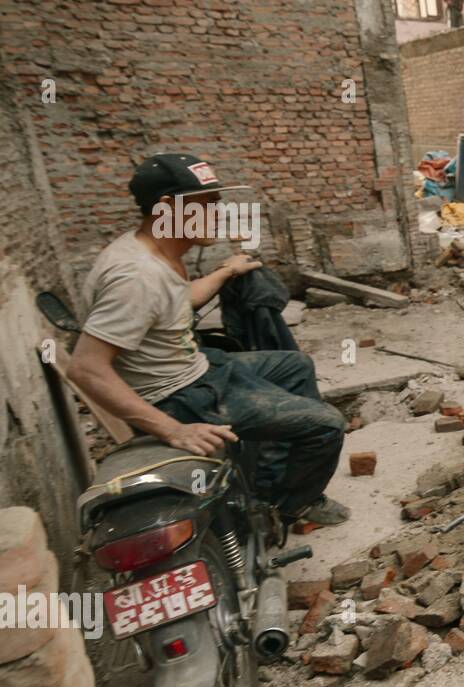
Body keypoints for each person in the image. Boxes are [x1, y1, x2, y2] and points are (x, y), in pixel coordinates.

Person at [67, 153, 350, 529]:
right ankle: (281, 508)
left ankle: (268, 482)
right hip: (180, 397)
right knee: (327, 425)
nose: (219, 213)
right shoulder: (134, 277)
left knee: (295, 366)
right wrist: (172, 430)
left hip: (199, 368)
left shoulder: (154, 250)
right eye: (207, 205)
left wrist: (226, 271)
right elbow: (86, 368)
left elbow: (180, 298)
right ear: (167, 208)